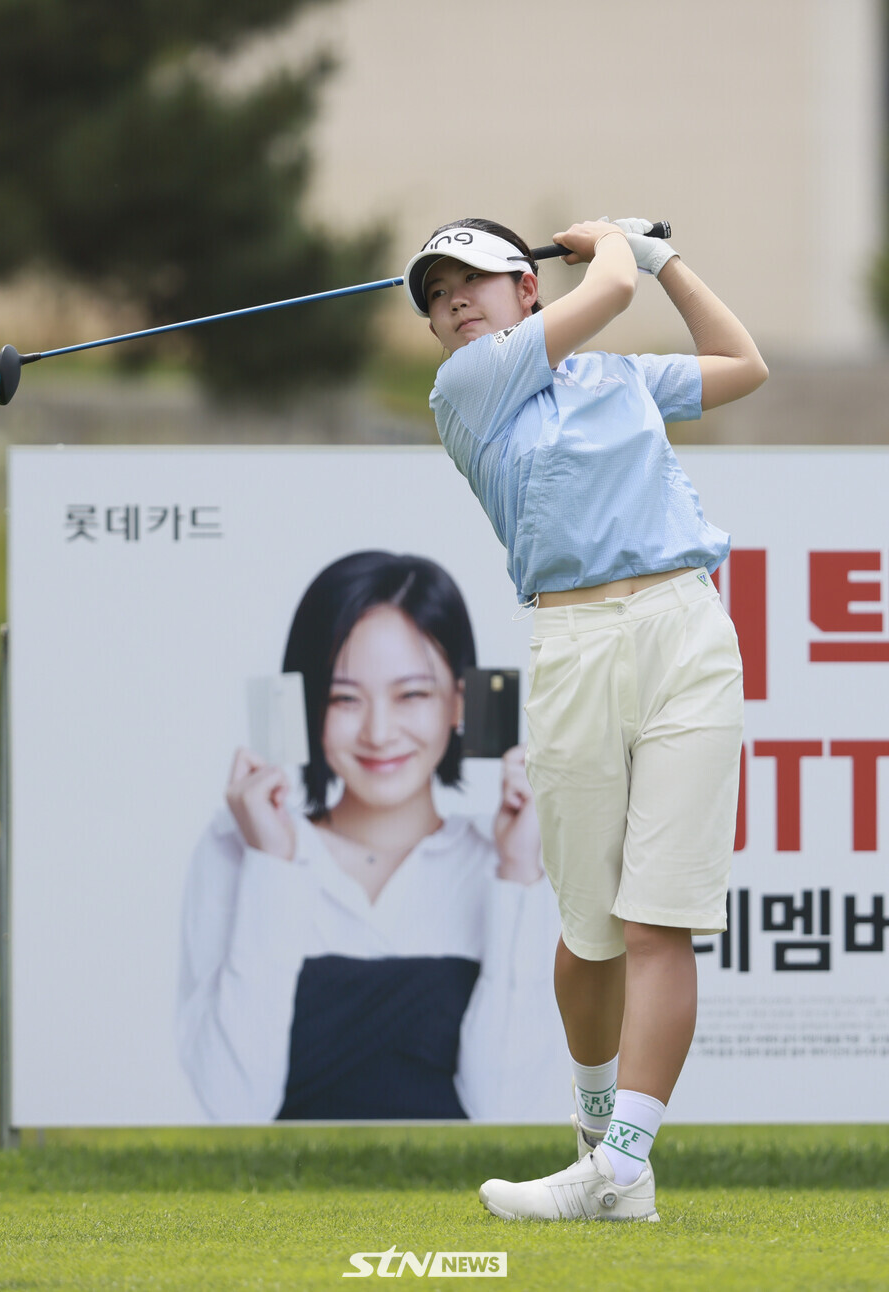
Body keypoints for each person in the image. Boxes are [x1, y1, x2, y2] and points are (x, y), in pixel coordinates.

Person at [403, 216, 767, 1221]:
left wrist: (665, 260)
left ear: (525, 286)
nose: (452, 306)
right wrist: (615, 244)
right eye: (436, 298)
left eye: (469, 282)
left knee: (661, 916)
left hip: (684, 626)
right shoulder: (466, 390)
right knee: (590, 932)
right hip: (570, 644)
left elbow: (744, 363)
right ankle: (596, 1131)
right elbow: (602, 293)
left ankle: (623, 1165)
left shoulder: (615, 380)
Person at [177, 549, 571, 1121]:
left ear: (461, 700)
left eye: (412, 694)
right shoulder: (240, 845)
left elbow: (506, 1111)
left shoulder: (517, 861)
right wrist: (273, 864)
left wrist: (517, 874)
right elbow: (232, 1106)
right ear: (305, 704)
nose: (379, 732)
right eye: (344, 698)